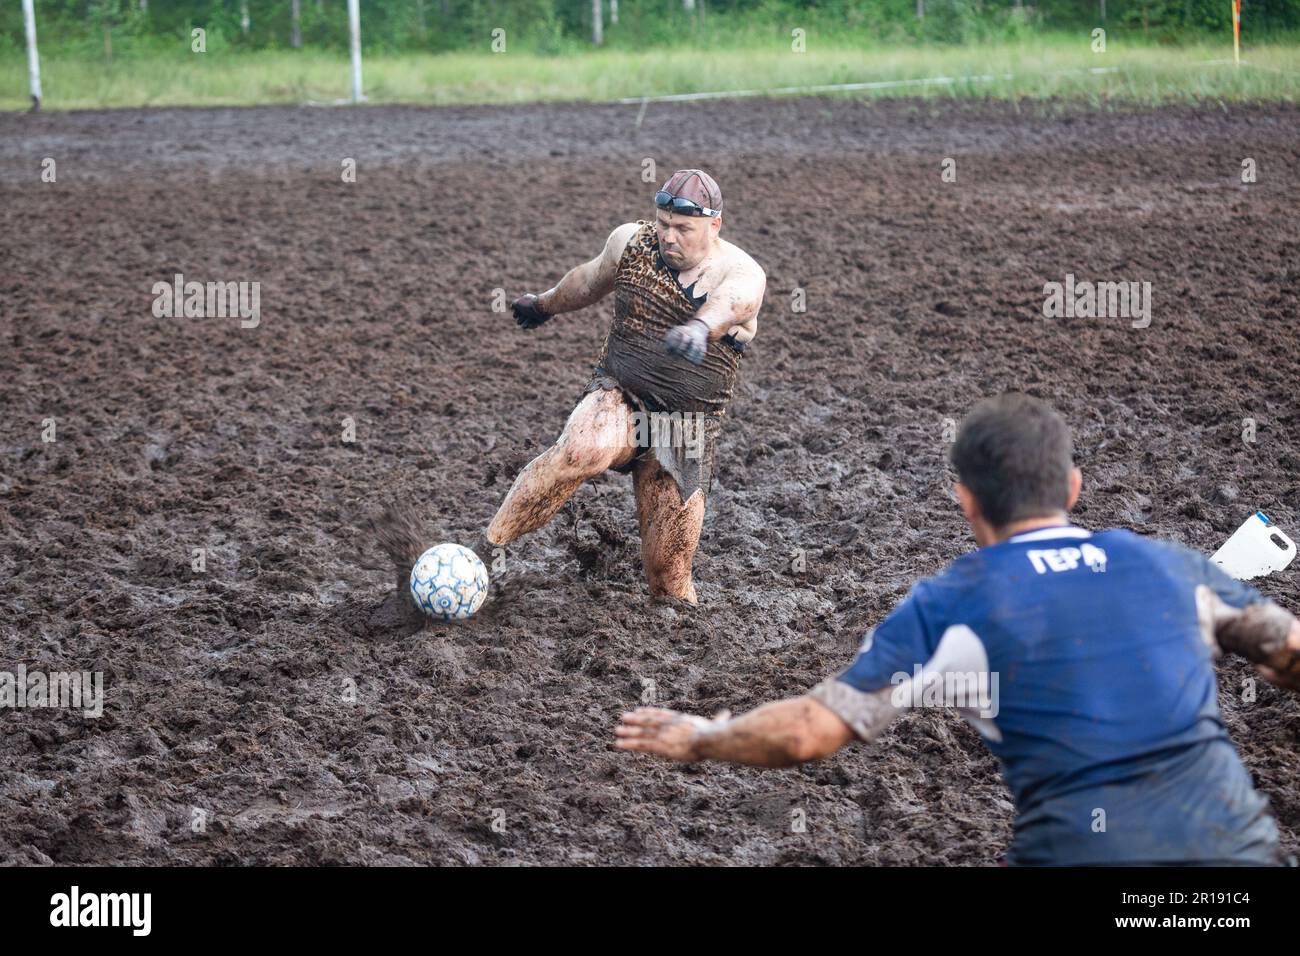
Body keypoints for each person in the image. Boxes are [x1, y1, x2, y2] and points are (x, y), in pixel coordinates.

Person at [615, 393, 1299, 865]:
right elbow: (1287, 645)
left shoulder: (950, 607)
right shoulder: (1169, 568)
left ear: (964, 498)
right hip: (1236, 849)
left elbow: (805, 732)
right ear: (1073, 488)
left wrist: (703, 737)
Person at [487, 169, 766, 604]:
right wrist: (543, 304)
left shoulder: (741, 271)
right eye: (664, 224)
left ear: (714, 226)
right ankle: (486, 550)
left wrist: (699, 328)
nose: (669, 237)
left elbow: (735, 303)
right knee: (582, 449)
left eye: (683, 229)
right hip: (621, 392)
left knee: (669, 584)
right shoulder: (632, 242)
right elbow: (588, 280)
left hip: (686, 427)